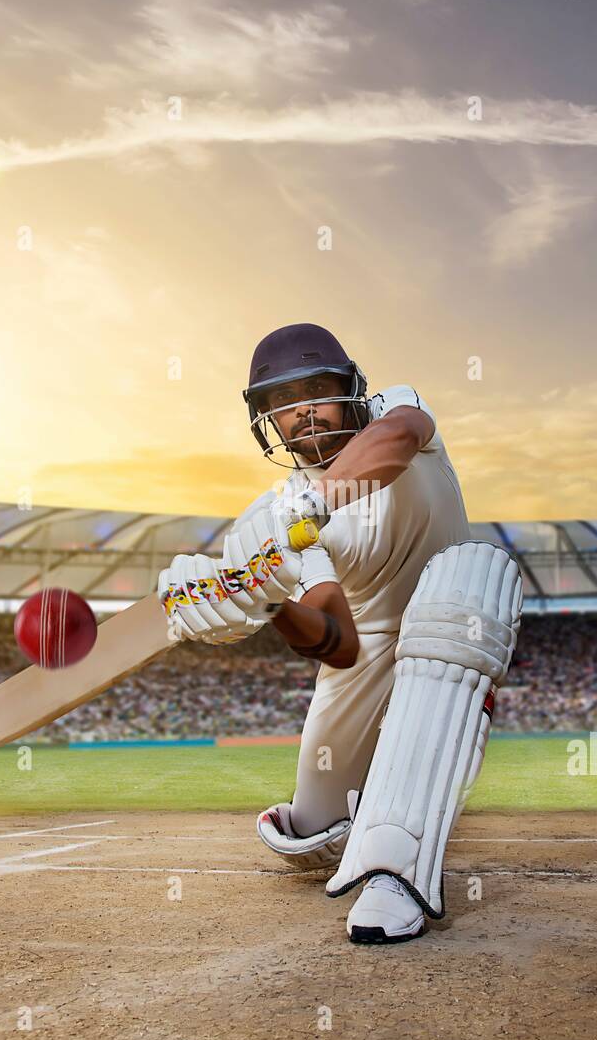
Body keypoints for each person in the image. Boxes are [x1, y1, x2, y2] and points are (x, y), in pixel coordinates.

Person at [158, 324, 522, 943]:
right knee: (310, 830)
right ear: (266, 420)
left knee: (456, 593)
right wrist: (267, 604)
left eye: (317, 390)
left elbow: (398, 441)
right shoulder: (272, 518)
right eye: (282, 402)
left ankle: (394, 875)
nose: (303, 411)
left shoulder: (395, 408)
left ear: (351, 389)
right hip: (372, 641)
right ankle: (345, 820)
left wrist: (323, 500)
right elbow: (336, 639)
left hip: (457, 607)